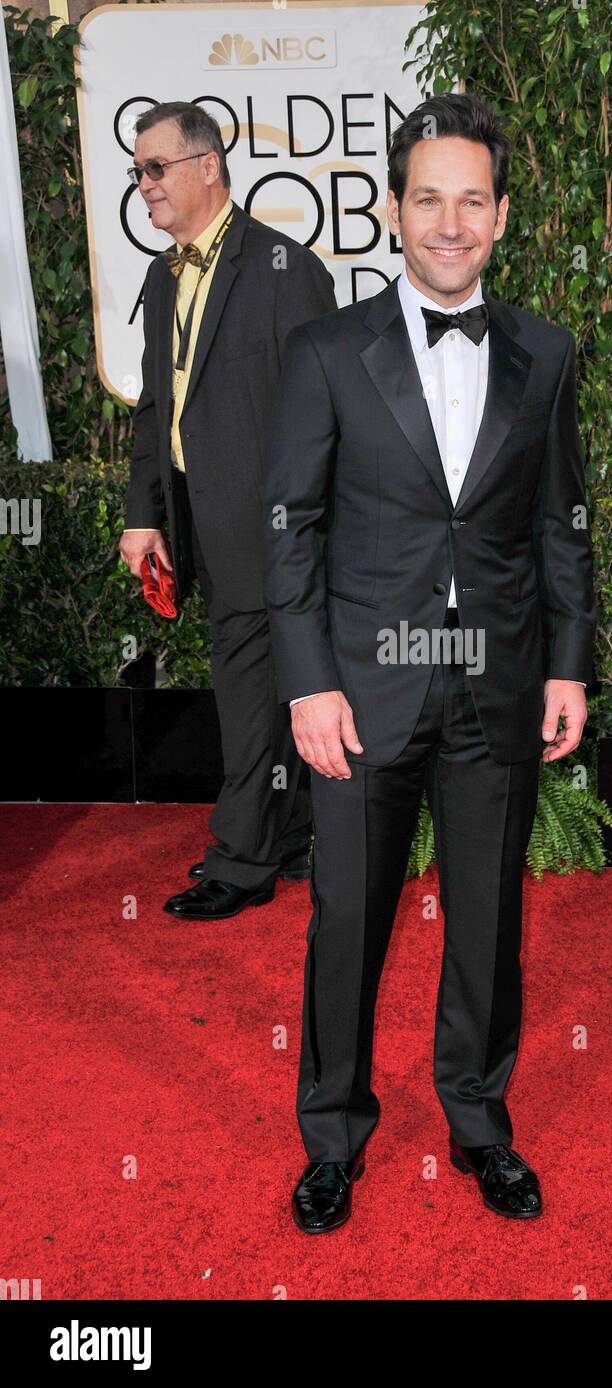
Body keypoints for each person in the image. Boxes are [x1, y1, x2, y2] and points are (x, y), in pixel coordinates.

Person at [262, 93, 597, 1231]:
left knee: (488, 917)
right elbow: (287, 525)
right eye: (425, 199)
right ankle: (331, 1132)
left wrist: (565, 664)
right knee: (346, 917)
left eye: (470, 200)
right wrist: (307, 679)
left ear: (501, 215)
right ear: (392, 210)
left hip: (493, 679)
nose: (447, 223)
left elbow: (560, 521)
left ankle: (478, 1118)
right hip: (358, 687)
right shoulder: (326, 350)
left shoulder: (545, 354)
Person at [119, 101, 337, 921]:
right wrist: (145, 514)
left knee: (251, 697)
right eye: (138, 171)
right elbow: (156, 409)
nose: (144, 187)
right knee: (267, 690)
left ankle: (240, 862)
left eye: (155, 168)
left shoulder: (284, 267)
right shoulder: (160, 273)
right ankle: (291, 837)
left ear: (208, 166)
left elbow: (327, 411)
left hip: (276, 534)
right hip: (200, 529)